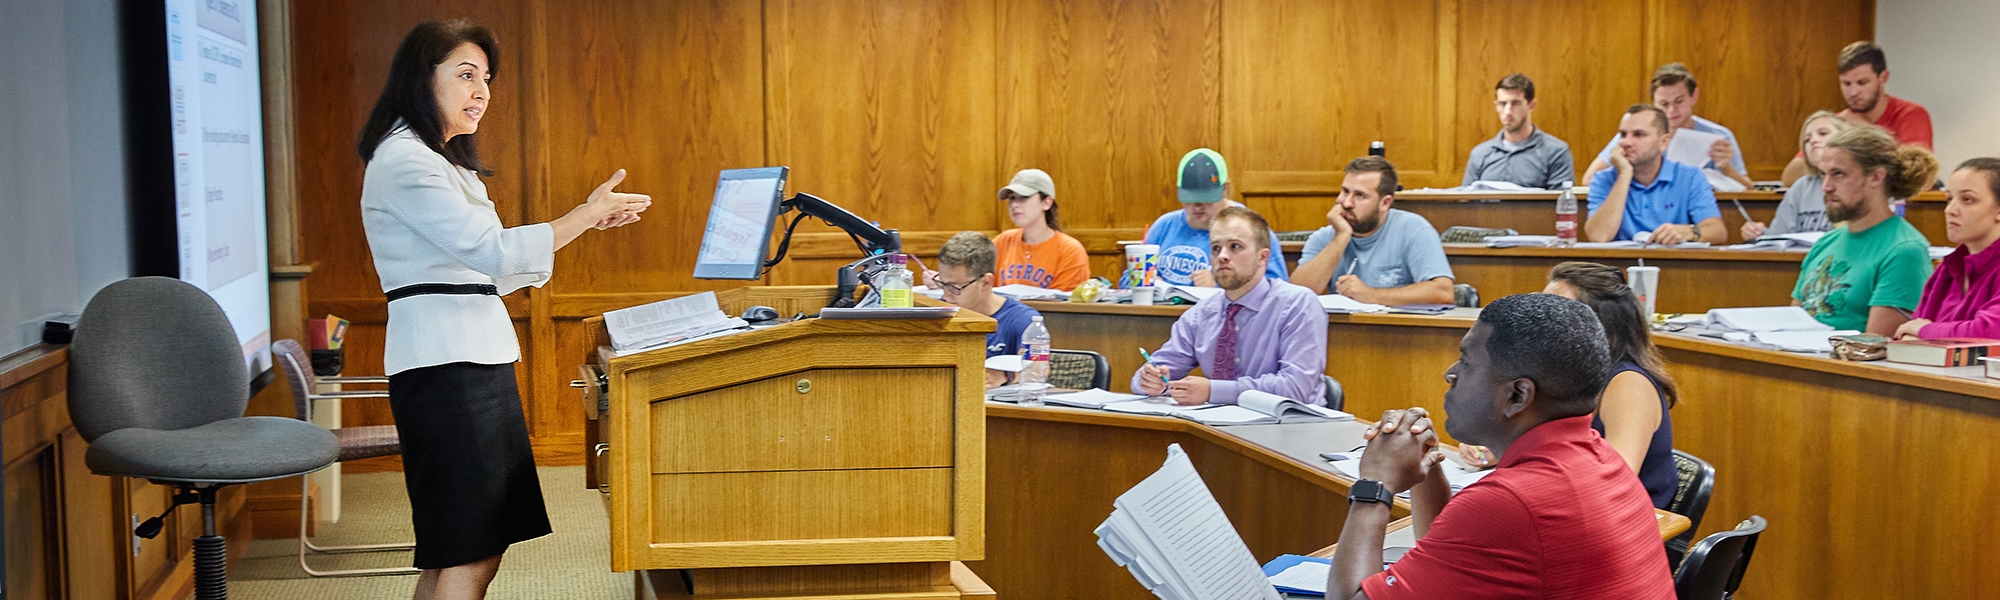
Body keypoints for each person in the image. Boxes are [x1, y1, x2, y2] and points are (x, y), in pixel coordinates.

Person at [356, 21, 651, 600]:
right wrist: (582, 216)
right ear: (422, 80)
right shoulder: (405, 160)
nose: (481, 91)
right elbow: (490, 251)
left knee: (458, 547)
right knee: (471, 548)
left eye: (486, 79)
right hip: (445, 368)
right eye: (465, 75)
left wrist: (580, 226)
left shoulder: (444, 164)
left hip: (468, 359)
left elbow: (494, 271)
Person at [1326, 293, 1675, 599]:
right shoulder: (1601, 458)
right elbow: (1457, 559)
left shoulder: (1513, 502)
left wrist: (1375, 484)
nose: (1450, 373)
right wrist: (1426, 469)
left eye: (1466, 361)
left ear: (1517, 395)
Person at [1456, 263, 1679, 509]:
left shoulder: (1629, 383)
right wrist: (1500, 448)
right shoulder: (1563, 373)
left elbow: (1615, 481)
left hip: (1627, 528)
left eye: (1557, 312)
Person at [1131, 206, 1325, 405]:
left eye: (1235, 246)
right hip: (1219, 427)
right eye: (1216, 248)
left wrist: (1213, 391)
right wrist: (1148, 380)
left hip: (1292, 427)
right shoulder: (1200, 314)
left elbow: (1294, 388)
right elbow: (1153, 369)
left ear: (1263, 257)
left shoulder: (1298, 304)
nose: (1222, 256)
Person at [1792, 126, 1938, 335]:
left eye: (1838, 174)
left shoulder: (1905, 250)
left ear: (1876, 177)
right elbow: (1791, 323)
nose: (1826, 186)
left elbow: (1877, 345)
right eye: (1823, 174)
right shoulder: (1826, 242)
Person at [1291, 157, 1455, 305]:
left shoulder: (1414, 229)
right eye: (1345, 191)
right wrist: (1341, 237)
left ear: (1385, 203)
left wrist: (1370, 295)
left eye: (1360, 195)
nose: (1346, 203)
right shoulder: (1326, 236)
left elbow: (1443, 291)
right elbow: (1296, 295)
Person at [1782, 41, 1935, 185]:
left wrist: (1864, 129)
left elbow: (1920, 178)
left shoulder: (1911, 114)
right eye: (1846, 84)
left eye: (1862, 83)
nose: (1853, 92)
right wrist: (1820, 154)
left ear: (1883, 78)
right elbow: (1789, 178)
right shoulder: (1835, 123)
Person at [1581, 63, 1752, 190]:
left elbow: (1748, 189)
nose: (1671, 110)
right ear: (1654, 103)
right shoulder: (1636, 134)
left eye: (1679, 101)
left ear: (1694, 96)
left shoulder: (1719, 136)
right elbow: (1589, 179)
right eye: (1664, 104)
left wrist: (1726, 167)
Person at [1583, 104, 1726, 244]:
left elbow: (1717, 231)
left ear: (1663, 142)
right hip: (1620, 266)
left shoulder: (1690, 177)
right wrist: (1624, 174)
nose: (1626, 142)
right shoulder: (1603, 179)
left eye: (1638, 134)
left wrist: (1688, 232)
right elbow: (1598, 236)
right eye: (1623, 134)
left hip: (1673, 264)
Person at [1144, 148, 1288, 287]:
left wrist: (1219, 286)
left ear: (1225, 188)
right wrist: (1146, 282)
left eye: (1206, 199)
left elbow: (1276, 287)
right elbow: (1130, 277)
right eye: (1189, 198)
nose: (1197, 206)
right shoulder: (1164, 226)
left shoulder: (1251, 227)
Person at [1896, 159, 2000, 340]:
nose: (1950, 210)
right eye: (1949, 199)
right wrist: (1919, 333)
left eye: (1967, 200)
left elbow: (1991, 330)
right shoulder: (1949, 266)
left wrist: (1925, 332)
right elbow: (1908, 333)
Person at [933, 232, 1042, 388]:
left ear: (986, 282)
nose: (946, 294)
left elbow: (1039, 369)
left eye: (955, 287)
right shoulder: (939, 314)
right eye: (942, 284)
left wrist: (1006, 376)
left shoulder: (1022, 319)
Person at [1740, 111, 1853, 240]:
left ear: (1846, 137)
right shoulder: (1800, 188)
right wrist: (1758, 234)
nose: (1813, 140)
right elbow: (1777, 238)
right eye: (1807, 139)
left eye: (1823, 133)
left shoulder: (1857, 180)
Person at [1461, 73, 1575, 189]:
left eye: (1515, 104)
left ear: (1531, 105)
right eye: (1502, 104)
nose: (1508, 111)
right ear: (1496, 106)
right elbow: (1465, 202)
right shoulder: (1480, 153)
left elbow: (1561, 203)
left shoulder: (1555, 152)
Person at [992, 169, 1090, 290]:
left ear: (1047, 203)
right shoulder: (1002, 241)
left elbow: (1065, 306)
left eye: (1023, 197)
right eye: (1012, 198)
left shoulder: (1070, 250)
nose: (1014, 205)